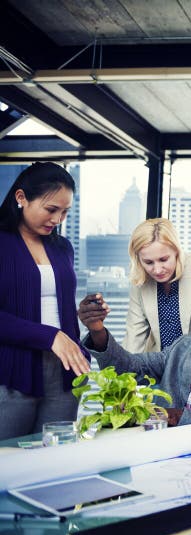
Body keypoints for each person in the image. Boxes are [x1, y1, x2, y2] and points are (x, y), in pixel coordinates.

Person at [0, 162, 90, 440]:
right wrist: (50, 336)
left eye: (65, 212)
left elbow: (60, 306)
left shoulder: (62, 247)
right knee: (7, 461)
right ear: (21, 198)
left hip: (64, 373)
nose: (58, 219)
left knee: (55, 459)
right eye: (51, 209)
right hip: (11, 370)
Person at [78, 293, 191, 426]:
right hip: (160, 449)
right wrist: (97, 331)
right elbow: (129, 367)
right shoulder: (183, 348)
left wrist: (176, 416)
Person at [124, 218, 191, 353]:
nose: (157, 270)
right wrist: (127, 371)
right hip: (158, 365)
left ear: (177, 250)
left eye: (163, 259)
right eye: (148, 262)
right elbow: (134, 339)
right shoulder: (140, 282)